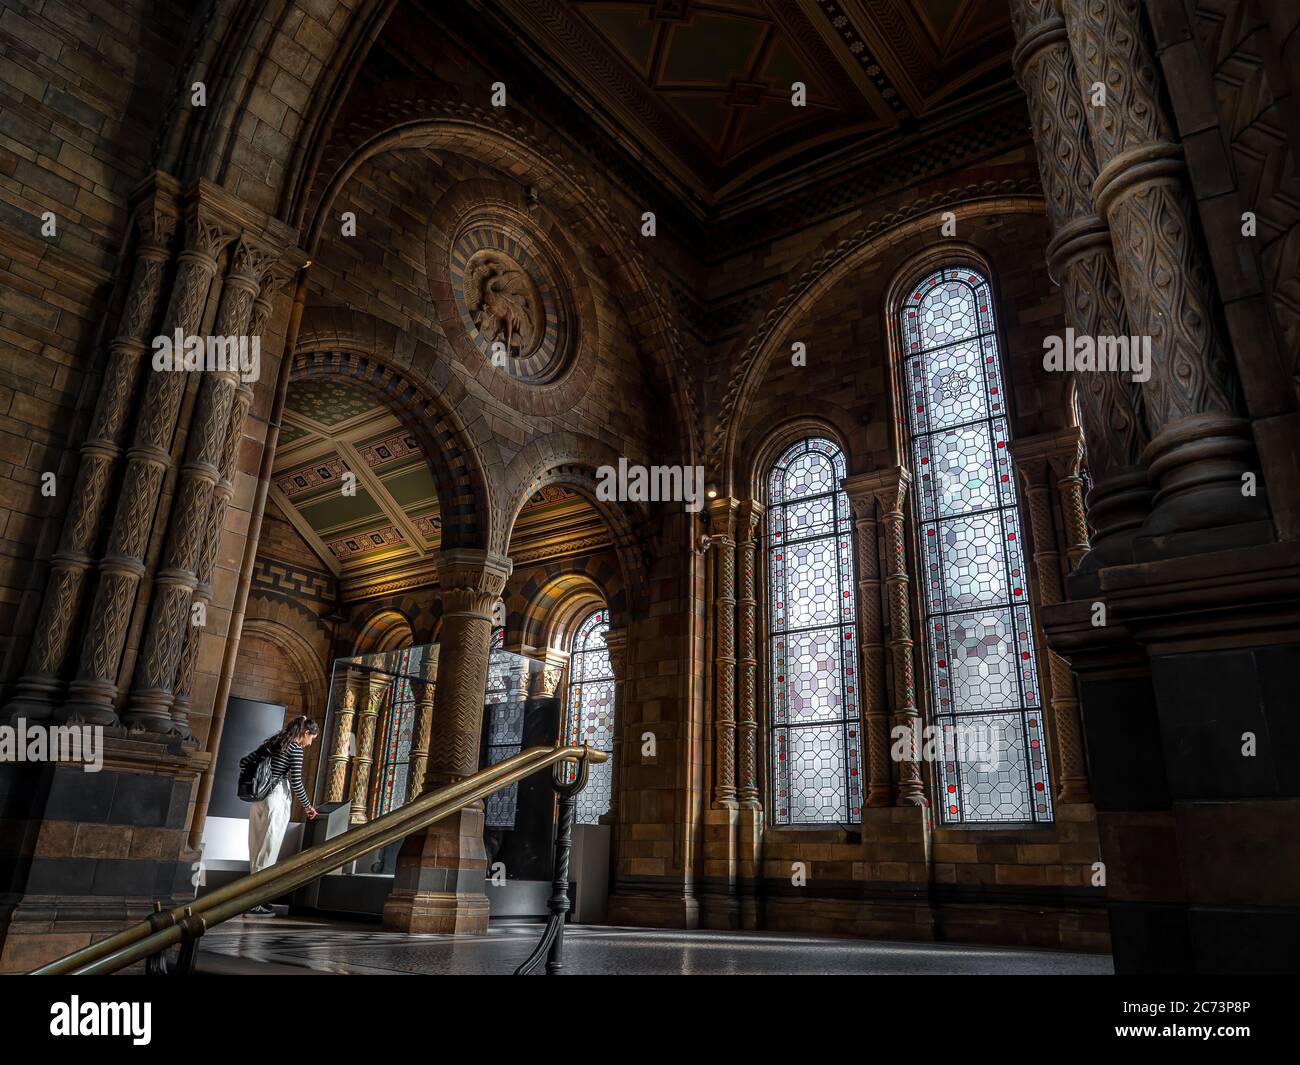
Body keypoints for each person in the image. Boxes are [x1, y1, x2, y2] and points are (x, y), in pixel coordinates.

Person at [246, 715, 320, 915]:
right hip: (276, 797)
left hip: (258, 798)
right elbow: (296, 781)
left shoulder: (274, 742)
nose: (310, 743)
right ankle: (254, 902)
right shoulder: (295, 748)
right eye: (311, 738)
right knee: (268, 851)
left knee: (256, 849)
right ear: (305, 733)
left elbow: (246, 761)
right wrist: (307, 806)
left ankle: (255, 899)